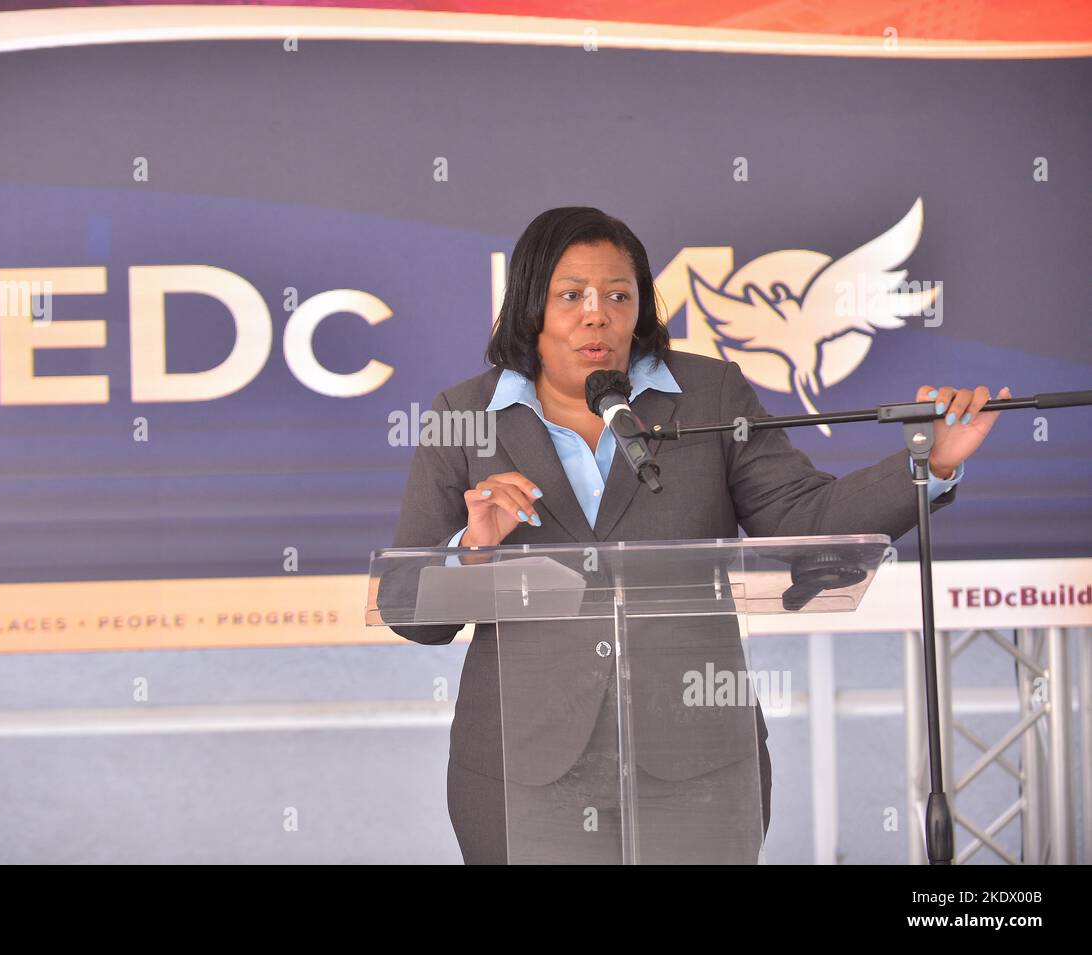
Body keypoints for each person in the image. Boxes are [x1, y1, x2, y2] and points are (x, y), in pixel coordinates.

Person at [388, 206, 1008, 864]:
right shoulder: (463, 415)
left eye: (618, 296)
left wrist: (930, 461)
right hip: (524, 769)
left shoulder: (709, 393)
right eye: (572, 295)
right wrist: (471, 552)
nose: (596, 315)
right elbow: (407, 606)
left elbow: (804, 519)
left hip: (697, 764)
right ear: (529, 305)